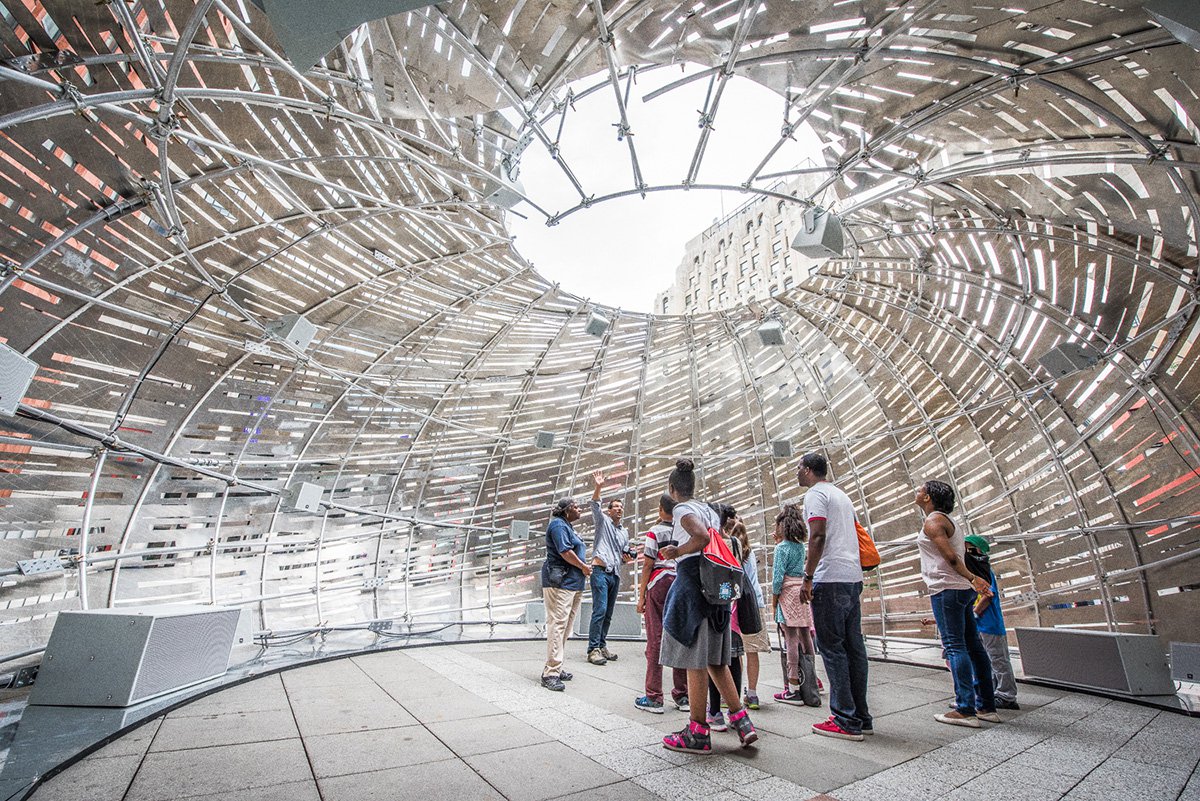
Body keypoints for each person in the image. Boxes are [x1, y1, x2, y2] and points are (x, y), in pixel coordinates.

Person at [659, 459, 758, 753]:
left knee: (695, 660)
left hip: (695, 589)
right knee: (716, 660)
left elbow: (701, 537)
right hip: (718, 591)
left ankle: (697, 731)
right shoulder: (710, 510)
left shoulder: (682, 509)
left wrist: (677, 550)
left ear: (672, 488)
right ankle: (742, 722)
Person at [796, 452, 872, 741]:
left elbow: (817, 536)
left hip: (829, 579)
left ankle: (844, 718)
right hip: (852, 577)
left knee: (832, 648)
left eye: (799, 468)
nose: (797, 473)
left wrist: (808, 577)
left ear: (808, 470)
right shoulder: (842, 495)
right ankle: (861, 716)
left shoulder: (815, 495)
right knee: (854, 648)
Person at [914, 480, 999, 728]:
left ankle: (965, 709)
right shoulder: (948, 521)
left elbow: (951, 558)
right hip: (960, 590)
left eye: (920, 490)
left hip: (946, 589)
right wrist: (970, 581)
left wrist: (973, 578)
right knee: (973, 646)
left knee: (954, 646)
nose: (916, 492)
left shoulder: (933, 522)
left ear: (928, 497)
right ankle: (986, 705)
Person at [635, 494, 689, 713]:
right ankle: (683, 695)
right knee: (679, 637)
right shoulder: (683, 531)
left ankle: (654, 697)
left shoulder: (655, 532)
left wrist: (641, 597)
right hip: (679, 583)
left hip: (658, 583)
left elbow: (648, 565)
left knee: (655, 638)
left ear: (660, 509)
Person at [963, 534, 1019, 710]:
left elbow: (988, 595)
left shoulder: (984, 571)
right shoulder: (975, 572)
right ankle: (993, 692)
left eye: (968, 548)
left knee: (999, 660)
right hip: (982, 625)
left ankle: (1007, 695)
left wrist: (974, 613)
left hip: (990, 625)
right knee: (988, 661)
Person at [541, 497, 592, 691]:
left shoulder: (567, 527)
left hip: (573, 583)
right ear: (566, 510)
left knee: (565, 627)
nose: (580, 510)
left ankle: (556, 665)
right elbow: (565, 552)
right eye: (576, 507)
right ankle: (550, 673)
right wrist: (584, 566)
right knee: (558, 625)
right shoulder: (558, 526)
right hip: (560, 583)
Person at [772, 505, 820, 706]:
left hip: (786, 594)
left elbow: (777, 578)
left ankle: (793, 687)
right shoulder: (800, 547)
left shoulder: (781, 548)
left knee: (790, 638)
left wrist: (774, 601)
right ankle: (812, 681)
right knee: (806, 635)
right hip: (800, 591)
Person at [587, 470, 634, 666]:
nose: (619, 509)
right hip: (600, 572)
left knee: (608, 613)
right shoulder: (602, 522)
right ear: (609, 511)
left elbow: (622, 554)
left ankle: (602, 644)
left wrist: (627, 557)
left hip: (615, 574)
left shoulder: (624, 532)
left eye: (621, 507)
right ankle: (593, 649)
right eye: (615, 507)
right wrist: (598, 487)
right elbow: (595, 505)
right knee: (600, 610)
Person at [732, 519, 771, 710]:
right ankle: (753, 694)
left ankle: (734, 693)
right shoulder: (750, 553)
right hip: (754, 603)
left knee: (736, 651)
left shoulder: (731, 552)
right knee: (752, 651)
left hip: (736, 605)